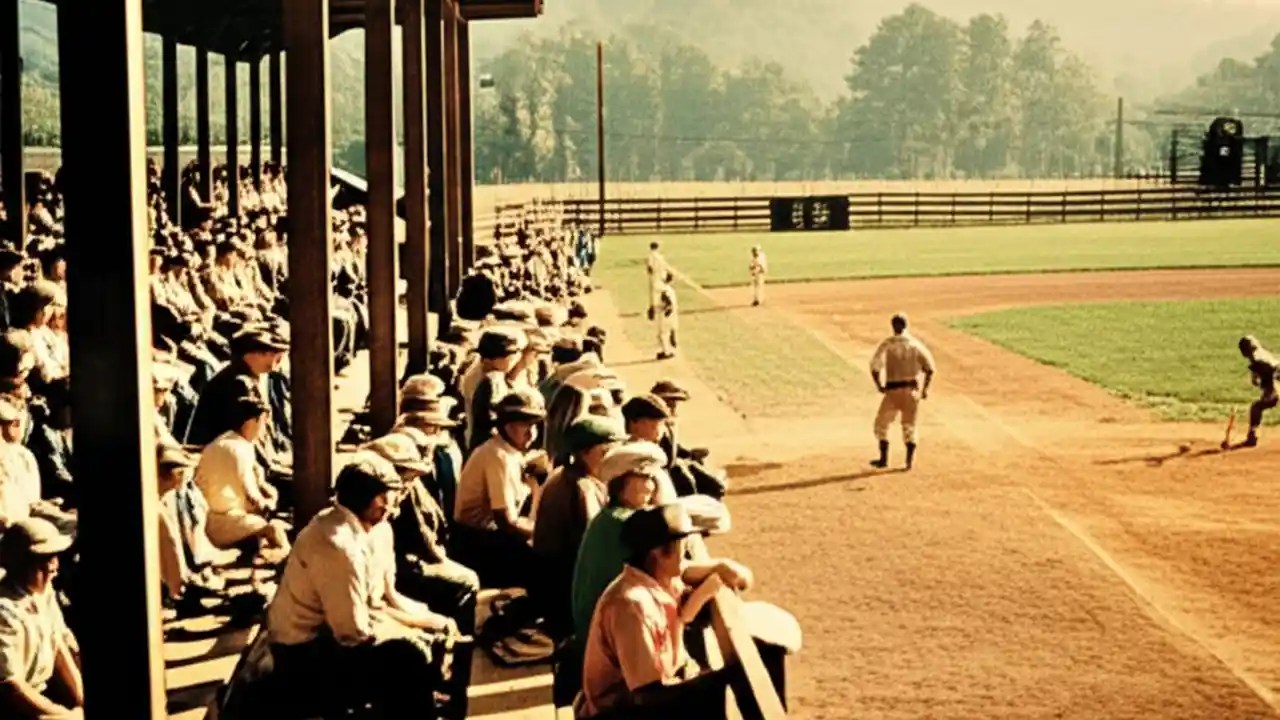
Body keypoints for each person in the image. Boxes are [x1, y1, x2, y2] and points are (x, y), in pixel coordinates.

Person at [265, 457, 439, 716]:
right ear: (377, 501)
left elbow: (374, 603)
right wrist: (408, 632)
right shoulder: (339, 547)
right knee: (410, 656)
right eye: (392, 494)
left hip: (326, 640)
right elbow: (352, 632)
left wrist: (422, 622)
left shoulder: (356, 526)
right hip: (301, 657)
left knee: (421, 642)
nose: (396, 500)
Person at [575, 504, 740, 719]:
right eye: (683, 544)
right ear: (660, 553)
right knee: (712, 690)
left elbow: (741, 578)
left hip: (636, 701)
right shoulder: (630, 605)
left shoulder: (661, 581)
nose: (687, 551)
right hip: (614, 712)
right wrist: (717, 680)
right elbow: (647, 695)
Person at [533, 416, 626, 636]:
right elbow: (595, 547)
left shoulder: (564, 476)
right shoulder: (582, 488)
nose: (609, 459)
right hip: (565, 592)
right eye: (604, 452)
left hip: (553, 582)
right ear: (584, 454)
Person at [452, 390, 544, 589]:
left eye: (534, 425)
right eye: (523, 424)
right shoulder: (496, 456)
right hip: (477, 543)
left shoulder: (513, 453)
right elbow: (506, 521)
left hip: (493, 537)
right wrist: (543, 534)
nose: (531, 432)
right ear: (506, 425)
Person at [0, 518, 82, 720]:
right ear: (23, 565)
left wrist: (81, 700)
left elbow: (59, 647)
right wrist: (66, 715)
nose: (55, 565)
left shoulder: (44, 594)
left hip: (43, 693)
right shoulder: (5, 612)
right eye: (46, 558)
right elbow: (13, 688)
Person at [869, 313, 935, 470]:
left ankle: (883, 459)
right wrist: (925, 389)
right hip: (911, 391)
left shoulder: (887, 344)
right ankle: (908, 462)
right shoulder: (916, 345)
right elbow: (930, 369)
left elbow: (875, 367)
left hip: (892, 391)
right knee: (909, 427)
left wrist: (879, 385)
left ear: (893, 326)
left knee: (881, 425)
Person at [1238, 335, 1278, 447]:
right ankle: (1253, 435)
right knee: (1258, 407)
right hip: (1274, 382)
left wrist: (1272, 389)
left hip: (1276, 383)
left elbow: (1273, 370)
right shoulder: (1259, 356)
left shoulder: (1257, 359)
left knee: (1256, 407)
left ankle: (1252, 436)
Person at [655, 272, 678, 361]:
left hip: (666, 315)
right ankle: (667, 350)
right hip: (671, 315)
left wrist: (666, 310)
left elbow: (668, 302)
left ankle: (666, 352)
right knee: (668, 333)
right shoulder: (671, 290)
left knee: (662, 334)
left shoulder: (664, 290)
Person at [645, 241, 667, 320]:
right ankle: (663, 304)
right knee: (662, 289)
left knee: (654, 292)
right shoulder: (660, 256)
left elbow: (650, 267)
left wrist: (649, 273)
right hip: (661, 274)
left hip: (655, 275)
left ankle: (654, 307)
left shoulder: (651, 256)